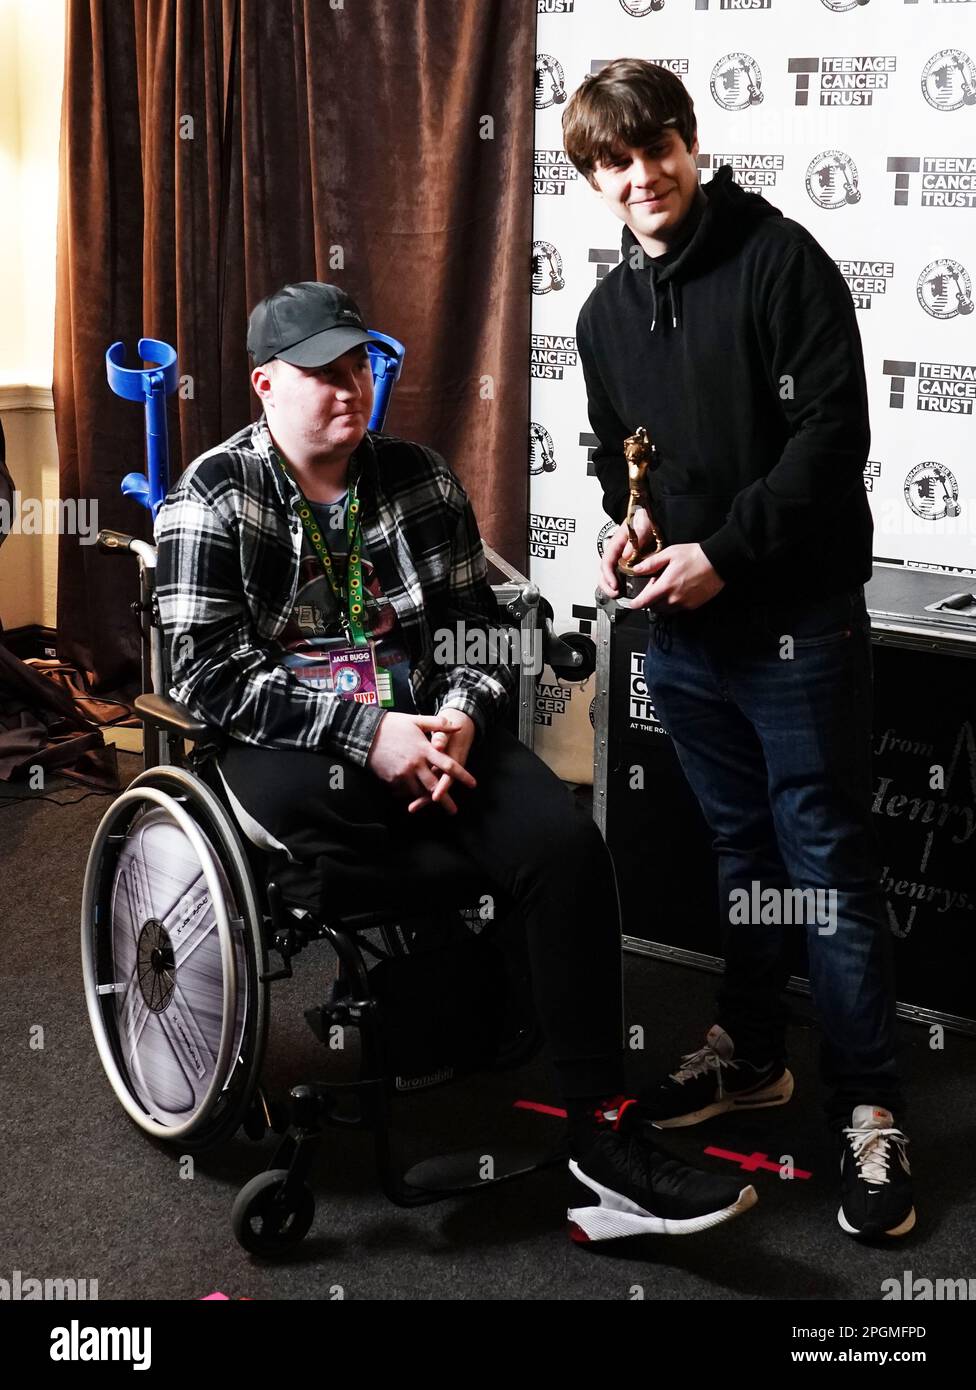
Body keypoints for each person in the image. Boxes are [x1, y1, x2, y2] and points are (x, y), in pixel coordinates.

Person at [153, 279, 759, 1245]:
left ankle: (603, 1141)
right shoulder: (211, 499)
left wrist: (463, 717)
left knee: (564, 843)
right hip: (297, 743)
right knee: (380, 823)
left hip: (435, 732)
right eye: (319, 372)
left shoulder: (420, 478)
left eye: (356, 365)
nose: (347, 387)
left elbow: (479, 628)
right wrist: (369, 737)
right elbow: (208, 674)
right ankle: (439, 995)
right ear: (266, 384)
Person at [564, 60, 914, 1240]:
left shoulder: (783, 260)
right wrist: (638, 534)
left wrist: (725, 551)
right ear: (594, 179)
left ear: (689, 143)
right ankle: (755, 1054)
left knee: (826, 863)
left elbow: (831, 443)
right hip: (685, 635)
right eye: (613, 162)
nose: (639, 176)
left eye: (655, 147)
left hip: (795, 624)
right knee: (739, 850)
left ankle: (867, 1103)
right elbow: (631, 463)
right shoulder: (603, 315)